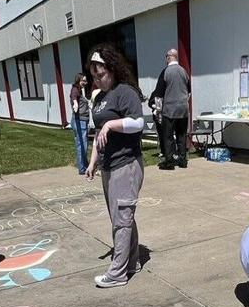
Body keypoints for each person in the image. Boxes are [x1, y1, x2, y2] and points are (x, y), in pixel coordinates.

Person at [84, 44, 146, 289]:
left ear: (112, 69)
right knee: (122, 216)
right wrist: (92, 162)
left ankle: (118, 274)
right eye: (94, 76)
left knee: (121, 220)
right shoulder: (100, 97)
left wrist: (112, 124)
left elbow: (138, 123)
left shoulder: (124, 92)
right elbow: (99, 133)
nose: (97, 80)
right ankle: (133, 261)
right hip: (108, 166)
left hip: (126, 163)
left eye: (101, 75)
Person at [149, 48, 192, 170]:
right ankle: (182, 160)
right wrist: (183, 102)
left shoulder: (165, 72)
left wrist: (158, 111)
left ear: (168, 57)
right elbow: (189, 92)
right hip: (183, 109)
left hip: (169, 109)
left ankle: (169, 161)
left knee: (168, 136)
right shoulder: (184, 72)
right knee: (181, 135)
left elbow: (158, 95)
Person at [69, 73, 91, 175]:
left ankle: (85, 165)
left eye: (86, 81)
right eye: (83, 81)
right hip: (79, 121)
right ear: (78, 80)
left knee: (81, 144)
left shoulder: (80, 90)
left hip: (81, 121)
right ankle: (82, 168)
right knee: (82, 145)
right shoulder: (75, 89)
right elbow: (74, 97)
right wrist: (75, 104)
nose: (85, 83)